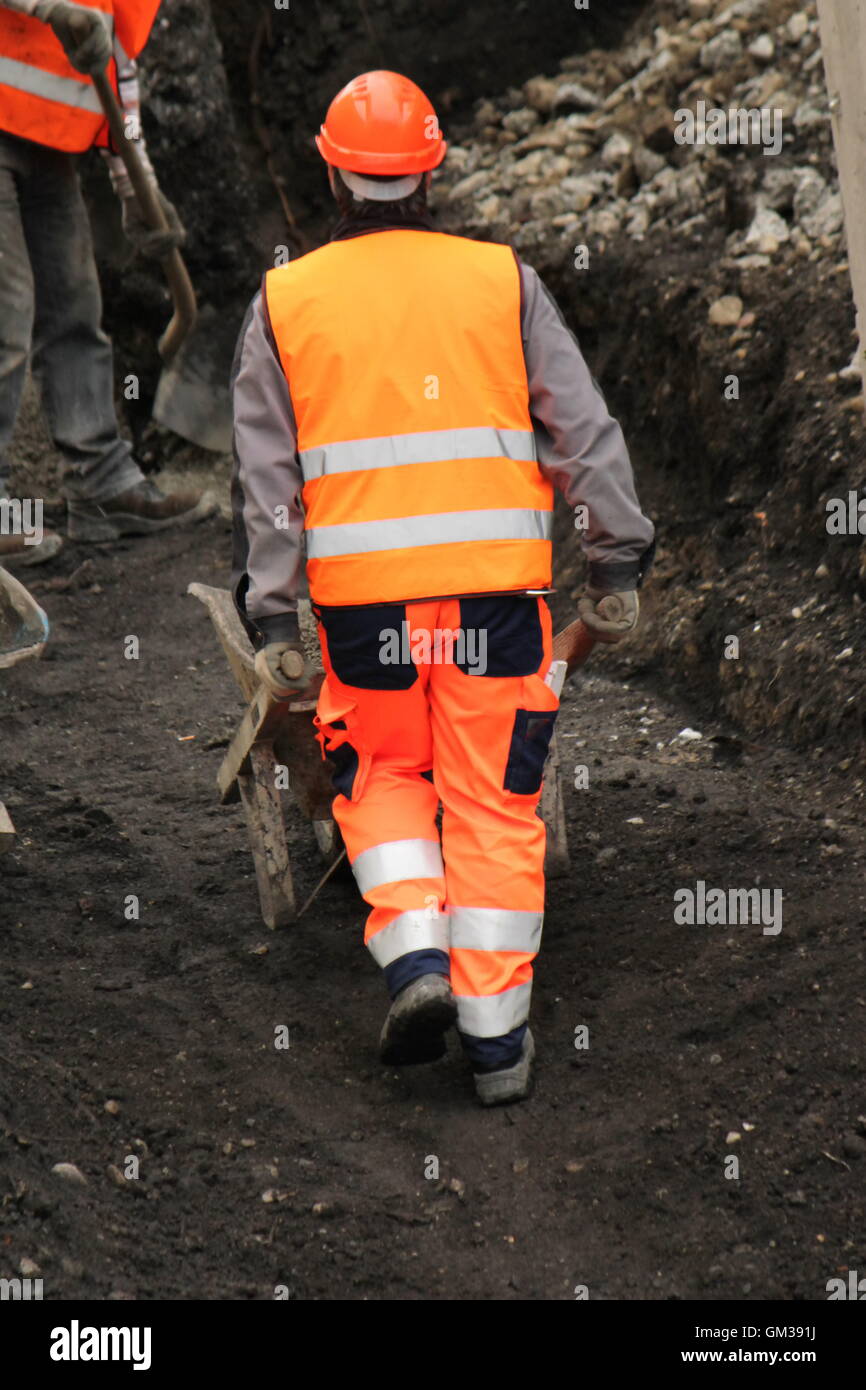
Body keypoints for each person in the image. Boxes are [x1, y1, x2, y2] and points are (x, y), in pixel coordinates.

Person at [231, 71, 655, 1105]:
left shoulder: (286, 299)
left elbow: (267, 482)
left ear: (332, 172)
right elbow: (583, 434)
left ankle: (416, 961)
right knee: (495, 804)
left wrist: (274, 613)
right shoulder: (499, 282)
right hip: (493, 614)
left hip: (364, 617)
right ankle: (497, 1045)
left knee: (375, 779)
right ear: (432, 170)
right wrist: (613, 557)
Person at [0, 0, 213, 570]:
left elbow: (117, 67)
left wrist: (133, 184)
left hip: (46, 143)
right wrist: (46, 8)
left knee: (73, 307)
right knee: (6, 316)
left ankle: (99, 483)